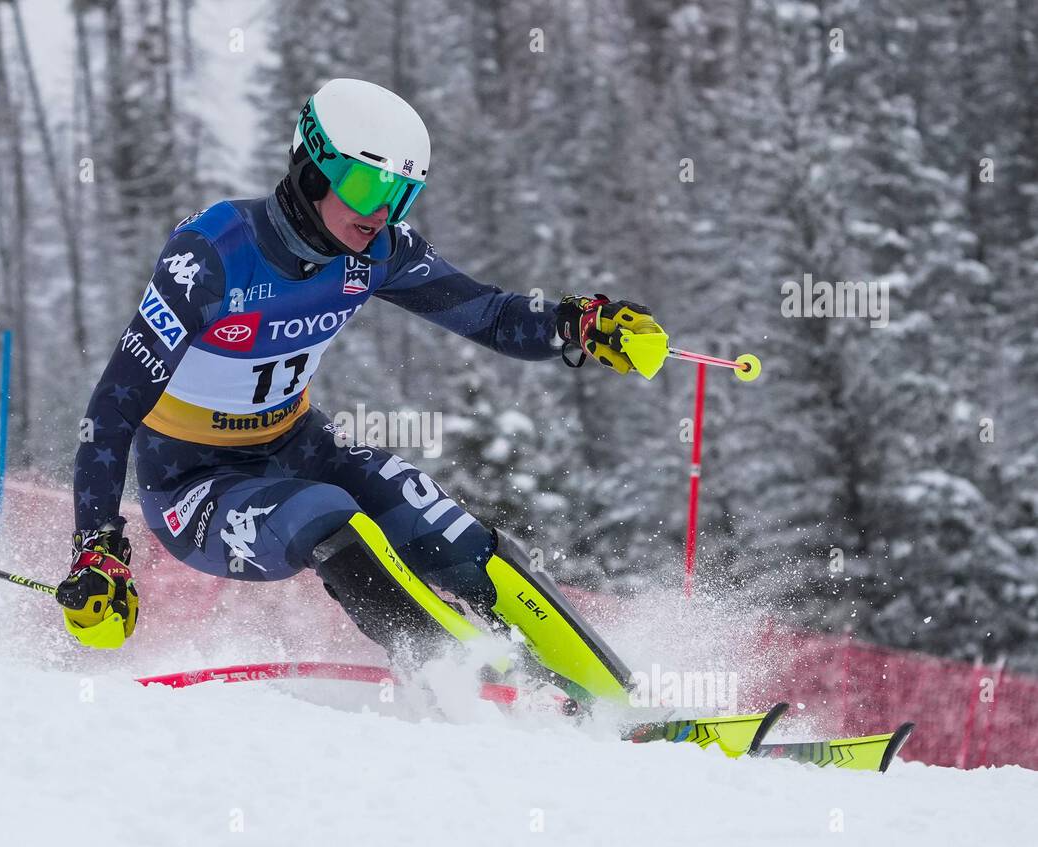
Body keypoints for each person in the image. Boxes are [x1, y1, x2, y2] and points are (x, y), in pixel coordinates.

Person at [55, 78, 668, 704]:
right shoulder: (213, 254)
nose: (379, 213)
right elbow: (112, 410)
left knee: (455, 536)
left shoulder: (378, 253)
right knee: (326, 515)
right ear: (313, 167)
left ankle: (618, 704)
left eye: (401, 195)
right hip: (193, 484)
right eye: (367, 185)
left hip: (297, 444)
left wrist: (578, 325)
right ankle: (467, 686)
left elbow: (488, 313)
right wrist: (98, 546)